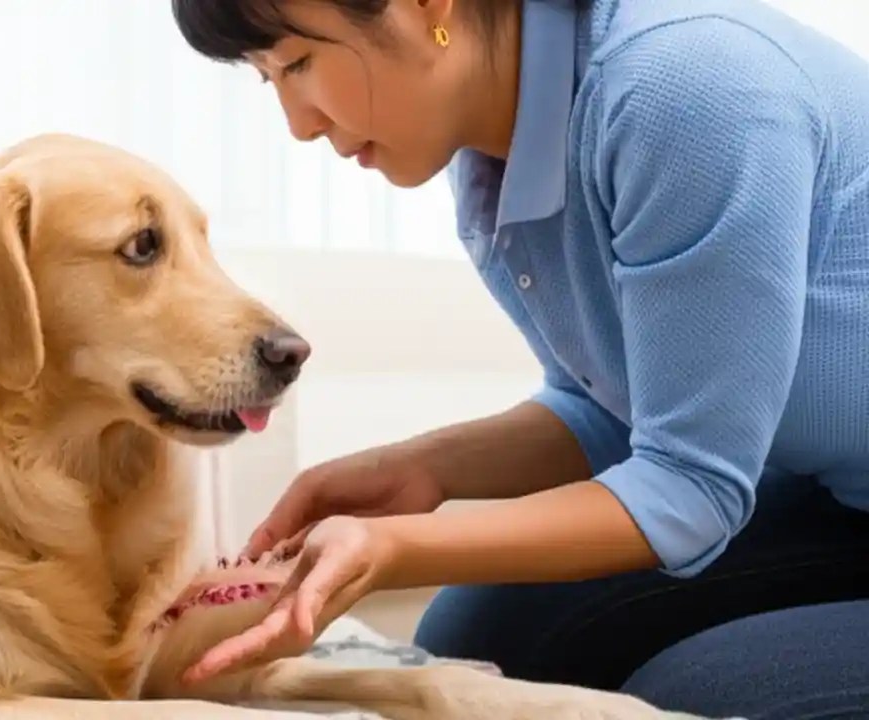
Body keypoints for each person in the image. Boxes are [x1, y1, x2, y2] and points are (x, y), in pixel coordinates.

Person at [170, 0, 869, 717]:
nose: (300, 123)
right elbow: (611, 410)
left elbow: (692, 490)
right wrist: (424, 468)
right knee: (484, 633)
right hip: (839, 499)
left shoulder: (688, 89)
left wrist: (397, 547)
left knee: (695, 695)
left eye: (299, 63)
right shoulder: (487, 155)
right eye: (268, 80)